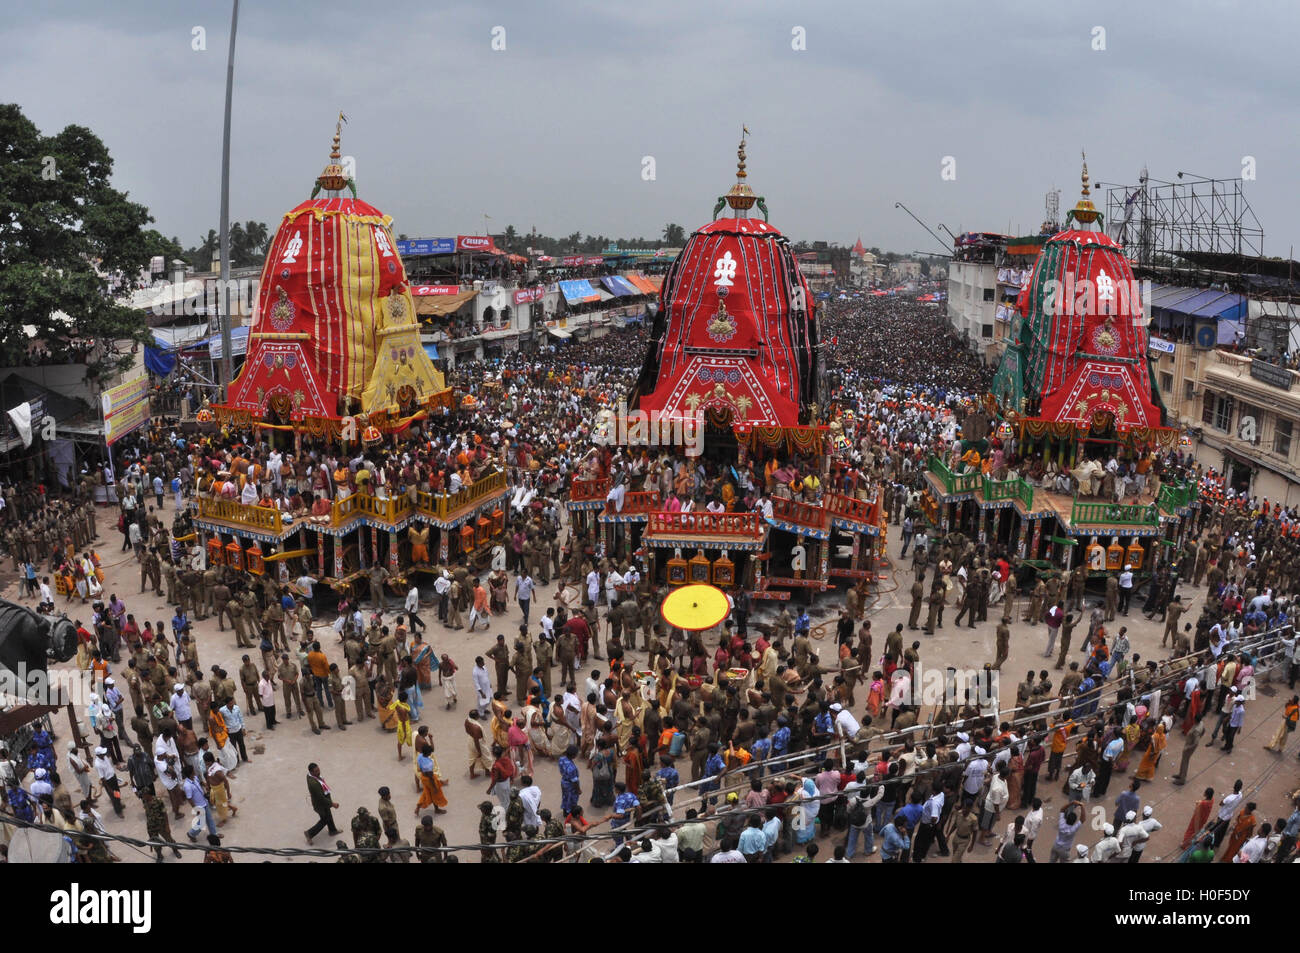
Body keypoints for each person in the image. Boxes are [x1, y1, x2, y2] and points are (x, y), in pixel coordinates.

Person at [305, 762, 340, 843]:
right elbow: (321, 798)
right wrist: (332, 804)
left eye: (318, 770)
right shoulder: (313, 784)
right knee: (325, 820)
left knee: (328, 815)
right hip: (320, 805)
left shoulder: (310, 775)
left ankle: (332, 830)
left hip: (323, 802)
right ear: (311, 772)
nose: (319, 772)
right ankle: (309, 833)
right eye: (316, 771)